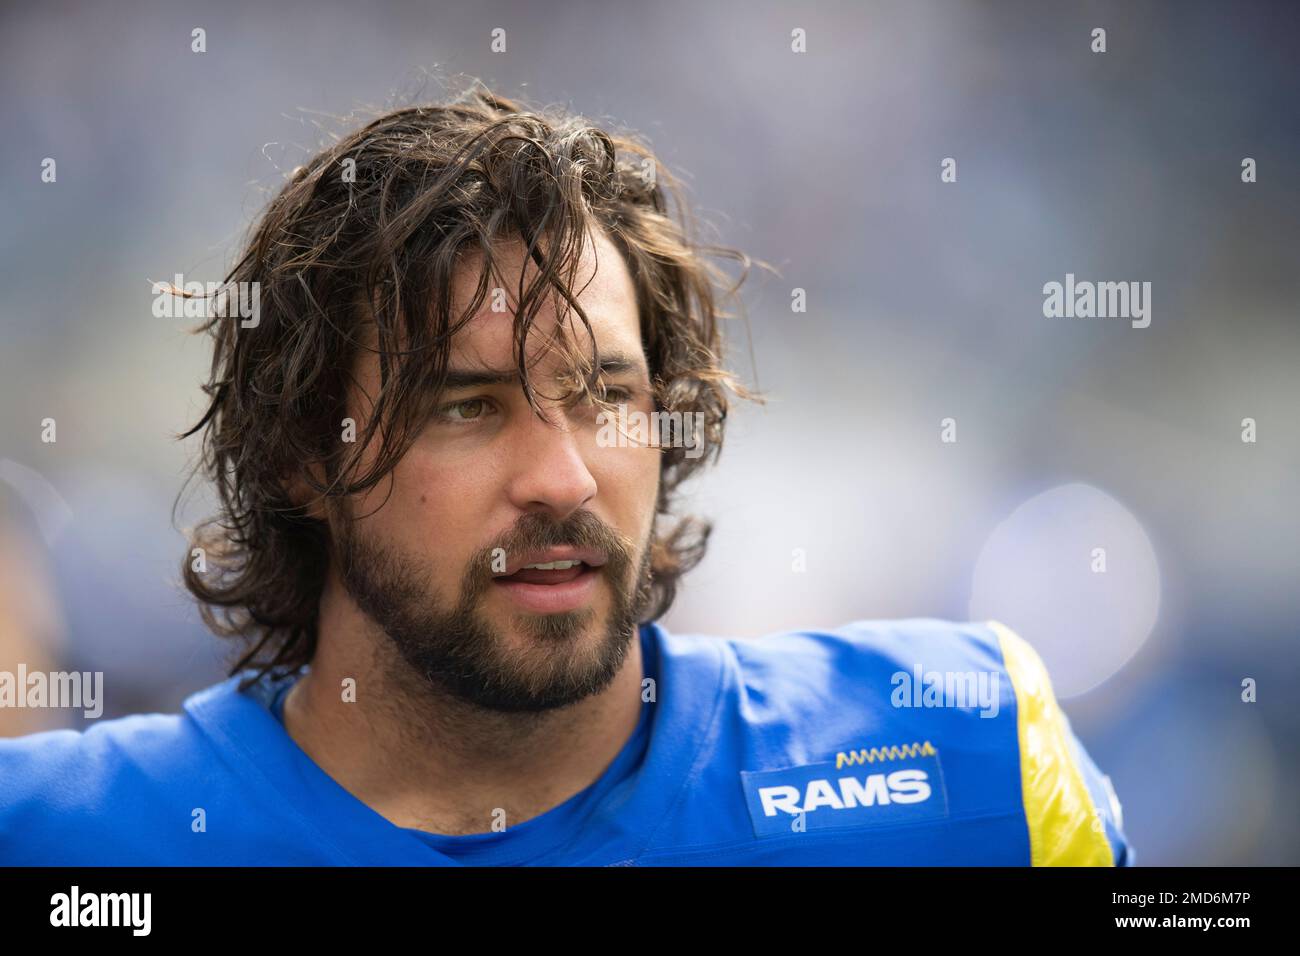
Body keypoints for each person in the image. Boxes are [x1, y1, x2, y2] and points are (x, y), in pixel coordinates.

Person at [0, 88, 1132, 866]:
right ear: (307, 456)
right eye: (467, 406)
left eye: (608, 397)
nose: (561, 475)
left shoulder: (966, 748)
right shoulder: (65, 837)